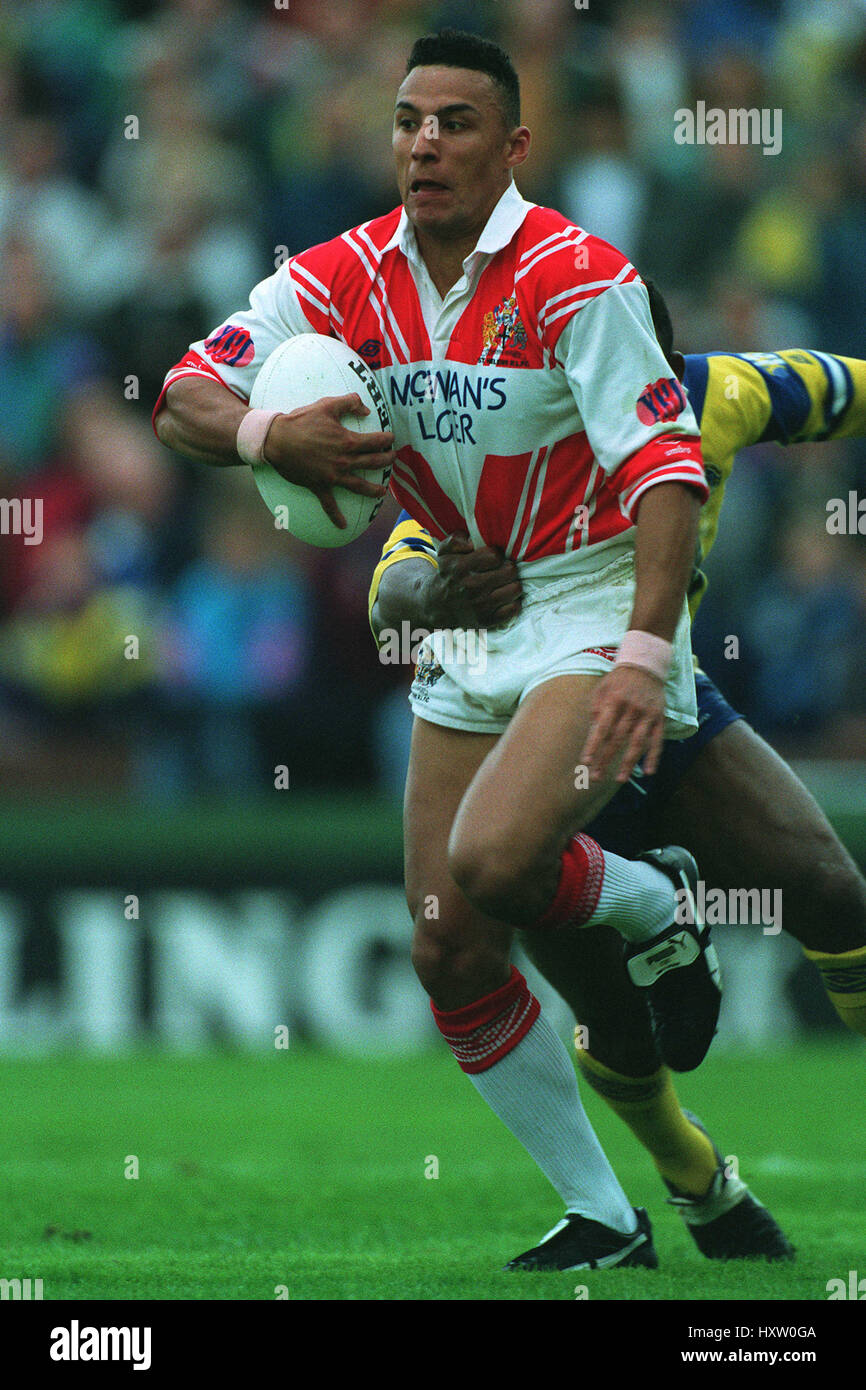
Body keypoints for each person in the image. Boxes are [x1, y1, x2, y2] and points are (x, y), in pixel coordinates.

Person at [155, 28, 722, 1272]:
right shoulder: (340, 276)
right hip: (470, 613)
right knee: (441, 936)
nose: (423, 141)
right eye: (409, 119)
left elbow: (666, 473)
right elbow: (181, 392)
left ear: (512, 145)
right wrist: (266, 438)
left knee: (495, 857)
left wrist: (639, 649)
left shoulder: (581, 278)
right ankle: (603, 1216)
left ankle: (651, 901)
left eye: (455, 122)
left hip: (587, 591)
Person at [369, 283, 866, 1267]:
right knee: (617, 1023)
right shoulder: (493, 431)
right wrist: (436, 590)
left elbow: (842, 388)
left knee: (834, 901)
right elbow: (394, 588)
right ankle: (693, 1182)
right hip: (521, 737)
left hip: (655, 698)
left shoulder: (718, 390)